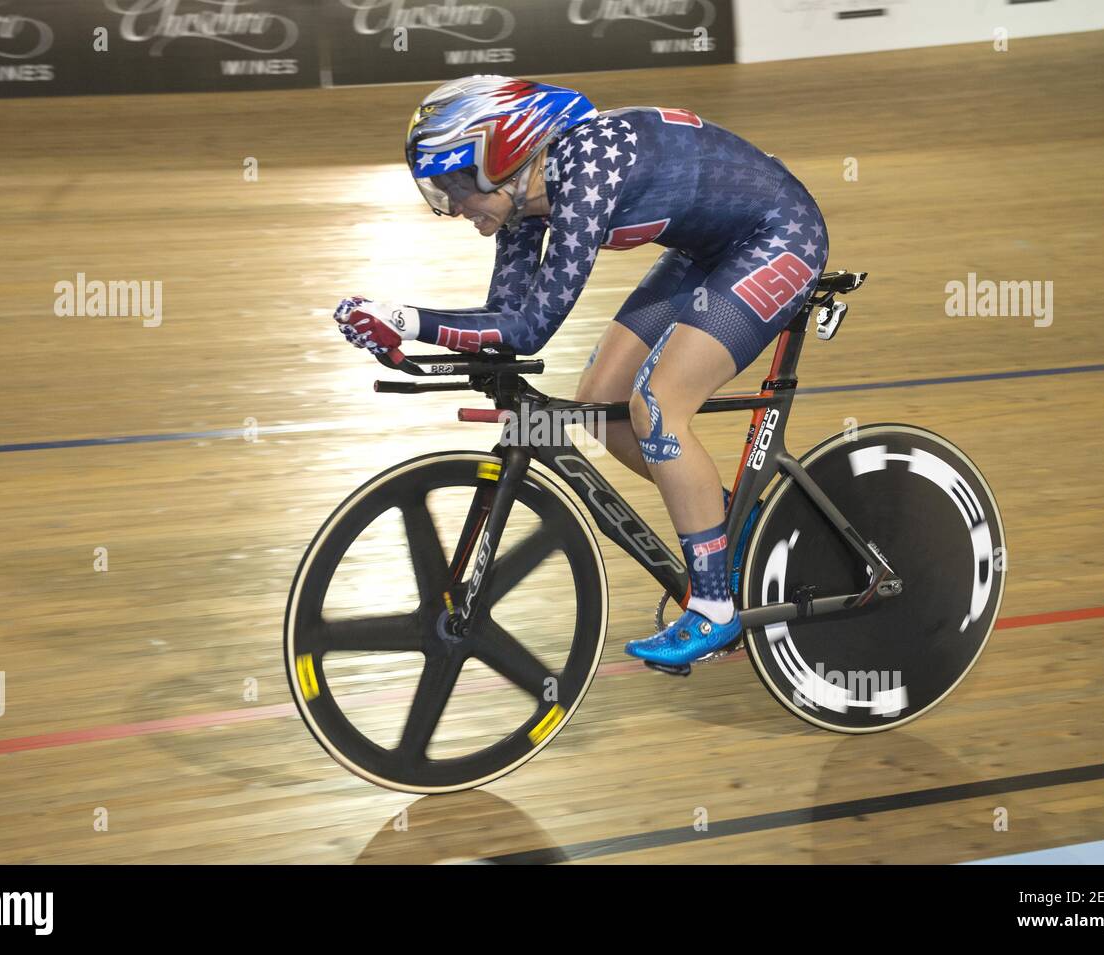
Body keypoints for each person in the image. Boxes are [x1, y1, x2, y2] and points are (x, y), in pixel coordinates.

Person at [335, 75, 828, 668]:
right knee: (601, 403)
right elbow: (504, 318)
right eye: (440, 191)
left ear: (503, 156)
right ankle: (736, 530)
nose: (454, 207)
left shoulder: (588, 167)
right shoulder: (523, 198)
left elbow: (533, 326)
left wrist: (408, 320)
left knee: (659, 407)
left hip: (779, 237)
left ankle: (716, 608)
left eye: (456, 187)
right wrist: (398, 326)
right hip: (711, 250)